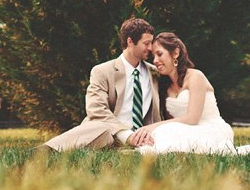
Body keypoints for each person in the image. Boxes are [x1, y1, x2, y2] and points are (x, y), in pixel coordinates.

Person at [132, 32, 250, 155]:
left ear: (176, 53)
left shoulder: (195, 77)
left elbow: (193, 118)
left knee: (164, 132)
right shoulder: (165, 87)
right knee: (165, 133)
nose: (155, 60)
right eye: (153, 56)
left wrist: (153, 127)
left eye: (159, 54)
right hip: (188, 130)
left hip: (212, 129)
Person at [37, 17, 162, 152]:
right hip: (111, 132)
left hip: (144, 136)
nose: (150, 48)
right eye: (146, 43)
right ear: (130, 41)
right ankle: (46, 151)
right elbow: (96, 109)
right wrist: (126, 135)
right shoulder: (102, 71)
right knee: (97, 127)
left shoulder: (154, 72)